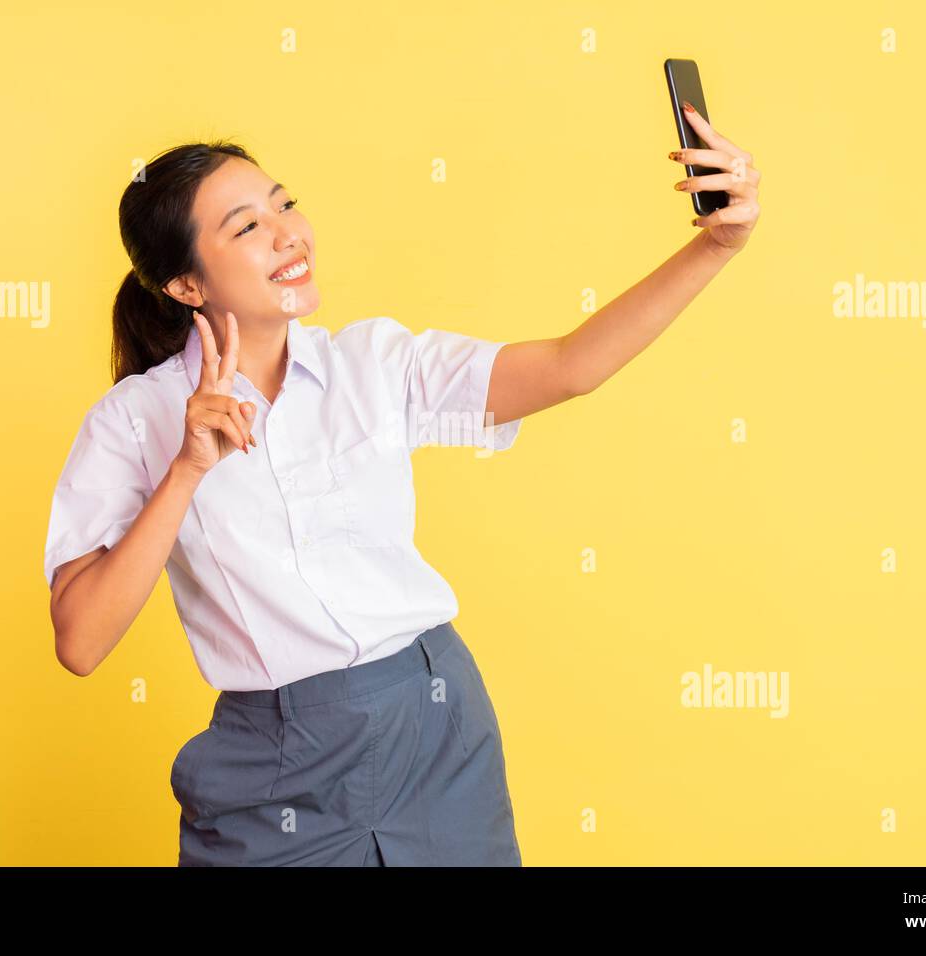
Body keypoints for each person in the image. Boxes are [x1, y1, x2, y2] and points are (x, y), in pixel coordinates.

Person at [43, 104, 760, 866]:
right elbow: (81, 642)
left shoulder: (375, 366)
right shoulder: (134, 423)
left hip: (435, 728)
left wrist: (716, 246)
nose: (289, 233)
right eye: (247, 227)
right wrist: (187, 469)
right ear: (187, 283)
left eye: (285, 204)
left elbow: (568, 367)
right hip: (274, 764)